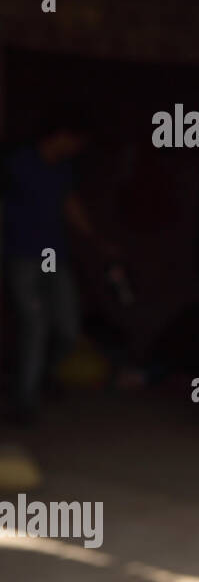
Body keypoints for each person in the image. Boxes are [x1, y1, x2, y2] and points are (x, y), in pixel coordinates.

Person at [1, 105, 119, 424]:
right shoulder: (17, 163)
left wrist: (97, 240)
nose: (78, 149)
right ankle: (26, 400)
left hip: (54, 257)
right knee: (35, 325)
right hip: (22, 256)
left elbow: (71, 207)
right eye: (77, 141)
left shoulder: (63, 170)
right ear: (63, 136)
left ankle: (41, 376)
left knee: (67, 328)